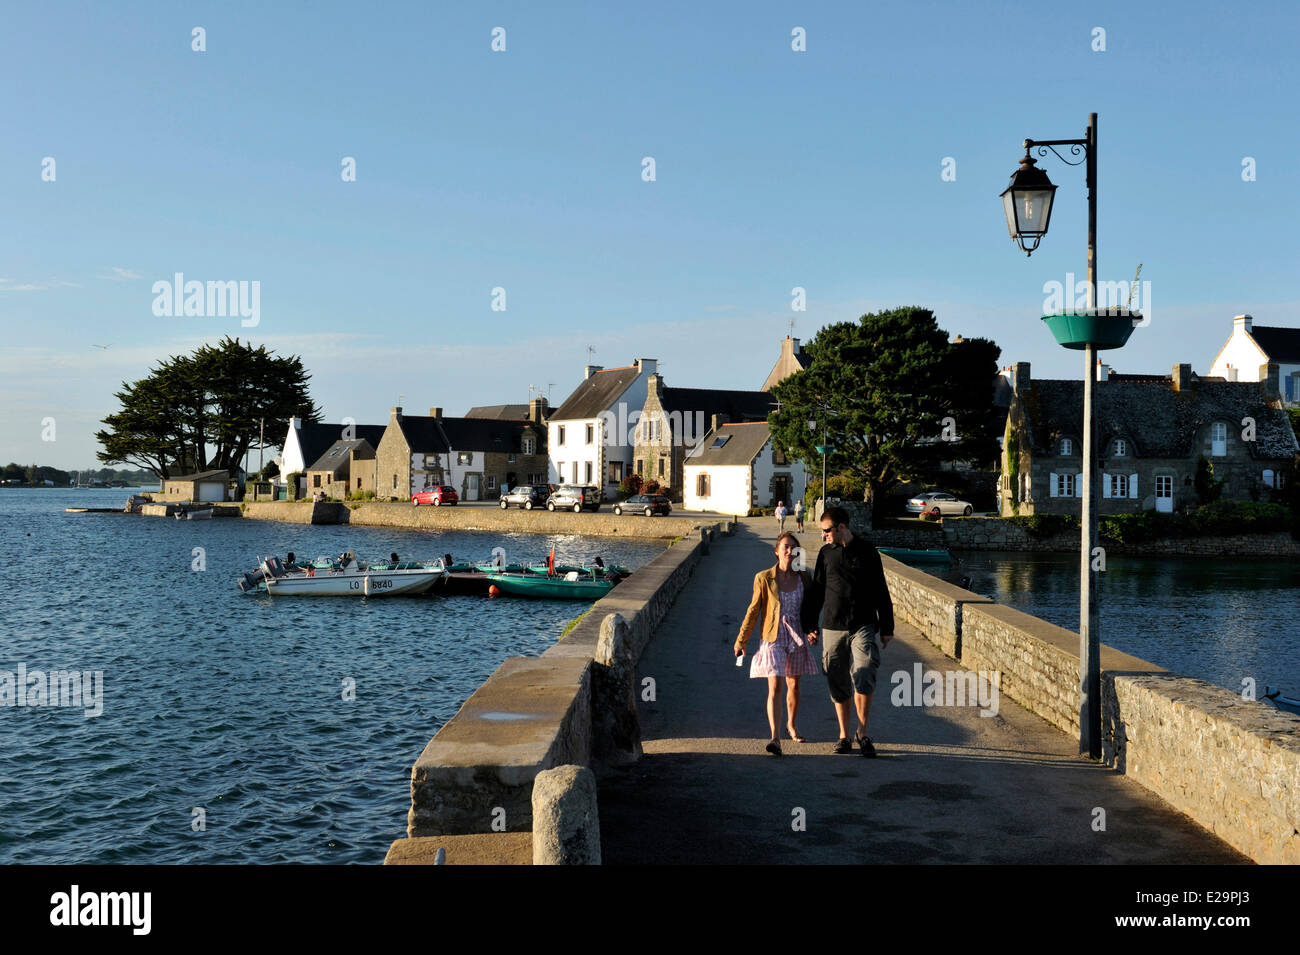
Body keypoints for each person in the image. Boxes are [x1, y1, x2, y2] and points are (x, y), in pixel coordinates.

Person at [802, 505, 895, 757]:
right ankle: (844, 735)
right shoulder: (825, 554)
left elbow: (880, 590)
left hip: (863, 623)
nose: (824, 535)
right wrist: (809, 625)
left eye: (827, 530)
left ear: (841, 527)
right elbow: (817, 591)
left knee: (864, 670)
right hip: (833, 624)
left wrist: (887, 626)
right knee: (836, 677)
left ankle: (862, 733)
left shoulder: (868, 551)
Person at [733, 532, 820, 756]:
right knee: (775, 687)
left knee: (794, 685)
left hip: (797, 635)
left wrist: (812, 630)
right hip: (773, 636)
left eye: (794, 548)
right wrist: (741, 640)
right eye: (786, 547)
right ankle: (775, 737)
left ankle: (791, 725)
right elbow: (753, 611)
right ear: (776, 551)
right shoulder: (764, 578)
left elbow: (810, 609)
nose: (790, 552)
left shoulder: (805, 577)